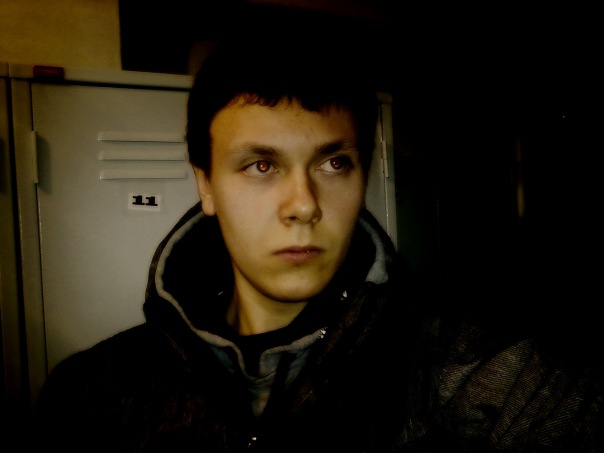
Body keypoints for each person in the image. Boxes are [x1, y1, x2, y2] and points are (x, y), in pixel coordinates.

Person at [30, 36, 602, 452]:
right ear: (205, 184)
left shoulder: (490, 381)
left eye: (333, 163)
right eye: (260, 165)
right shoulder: (92, 395)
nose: (303, 205)